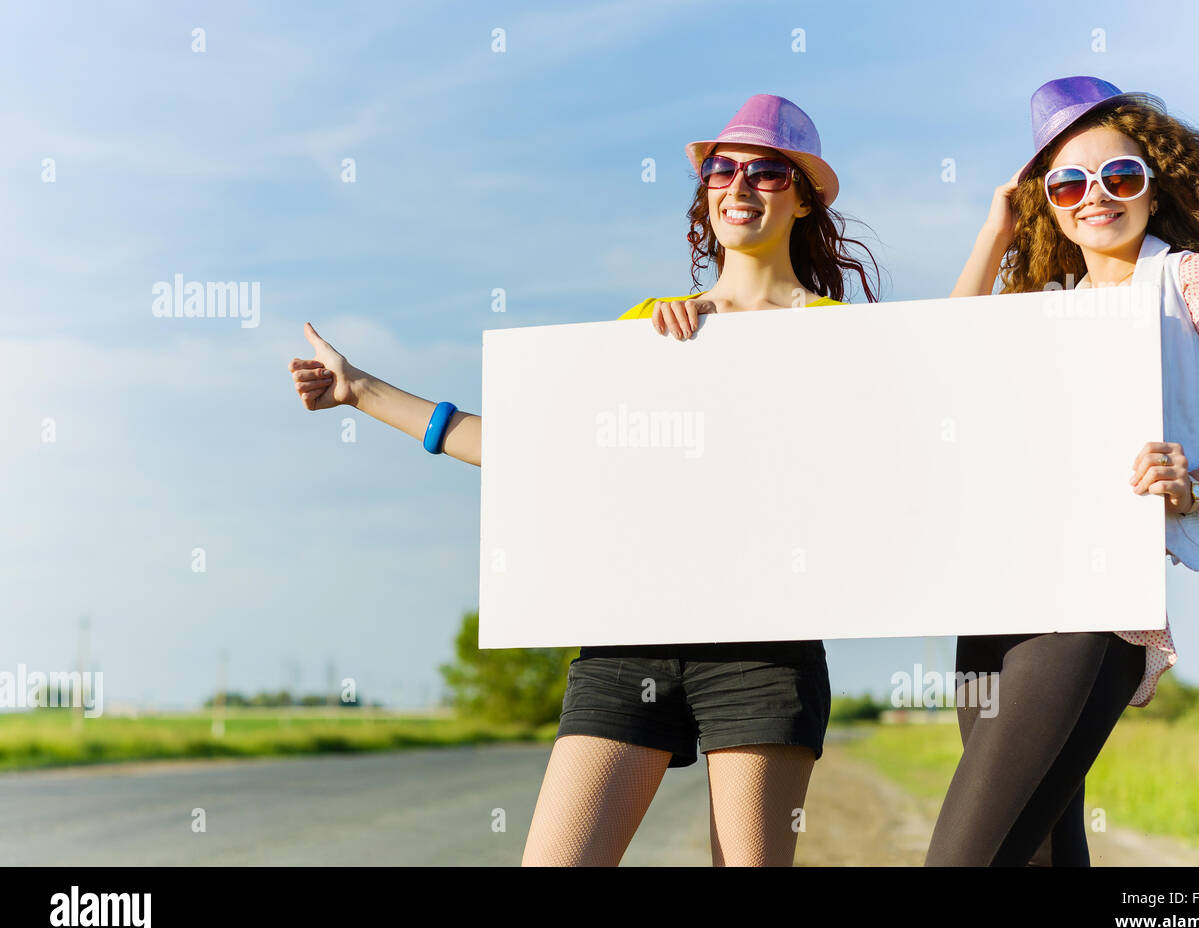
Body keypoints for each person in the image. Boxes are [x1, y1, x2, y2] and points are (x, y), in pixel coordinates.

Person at [287, 94, 880, 866]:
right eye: (721, 170)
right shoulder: (646, 331)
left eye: (766, 172)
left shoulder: (843, 338)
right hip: (626, 643)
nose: (739, 184)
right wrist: (359, 389)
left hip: (760, 653)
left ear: (804, 197)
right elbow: (533, 450)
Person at [927, 75, 1199, 866]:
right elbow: (941, 367)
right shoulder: (1041, 304)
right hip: (994, 602)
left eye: (1118, 176)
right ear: (1046, 202)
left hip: (1095, 605)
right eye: (1067, 183)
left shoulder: (1189, 278)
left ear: (1154, 184)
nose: (1094, 197)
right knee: (1043, 854)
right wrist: (994, 235)